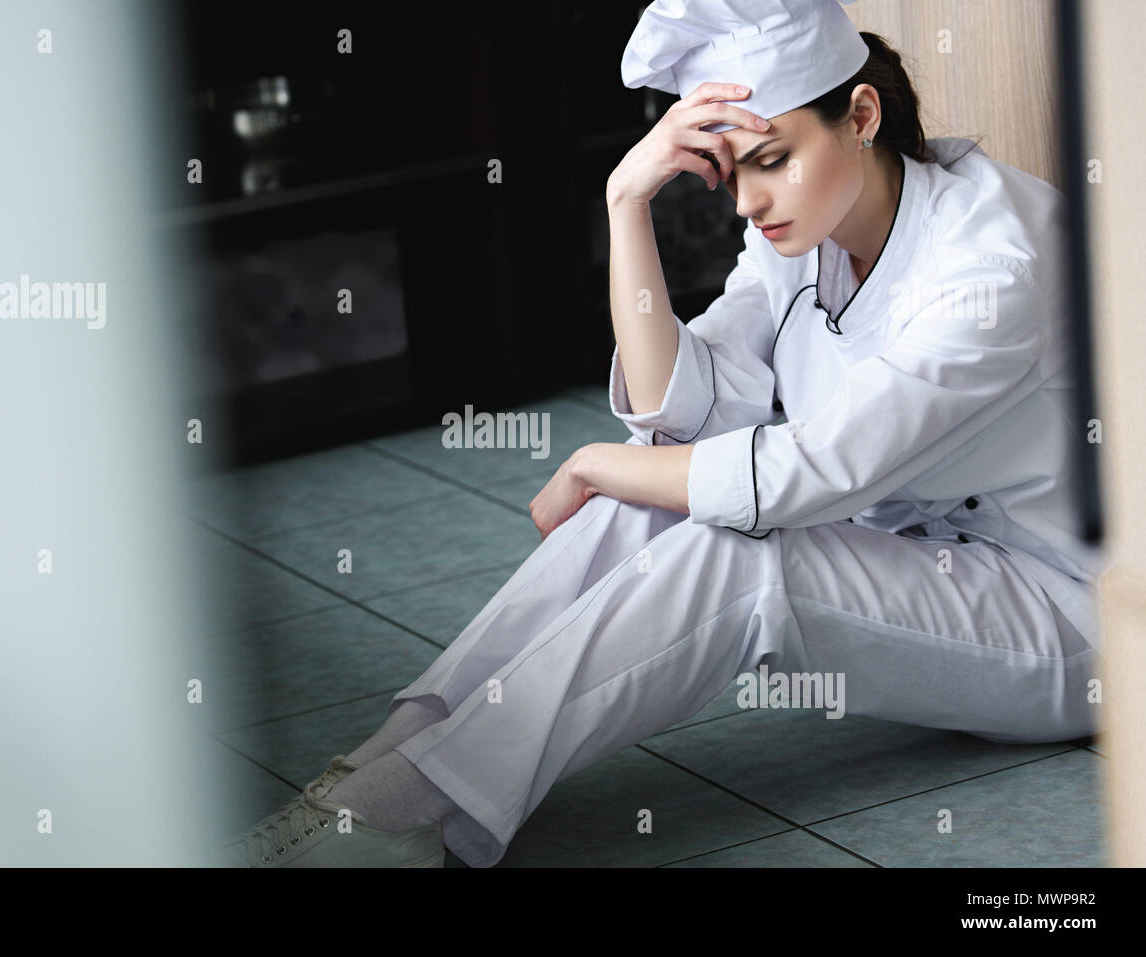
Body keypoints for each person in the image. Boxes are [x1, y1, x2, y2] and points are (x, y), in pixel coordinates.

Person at [221, 0, 1104, 868]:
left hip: (1068, 617)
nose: (750, 203)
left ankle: (400, 815)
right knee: (640, 498)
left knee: (732, 549)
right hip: (921, 558)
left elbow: (808, 475)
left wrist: (596, 460)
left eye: (772, 161)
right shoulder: (805, 233)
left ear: (862, 115)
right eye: (731, 172)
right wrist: (624, 203)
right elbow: (680, 404)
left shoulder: (990, 266)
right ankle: (367, 785)